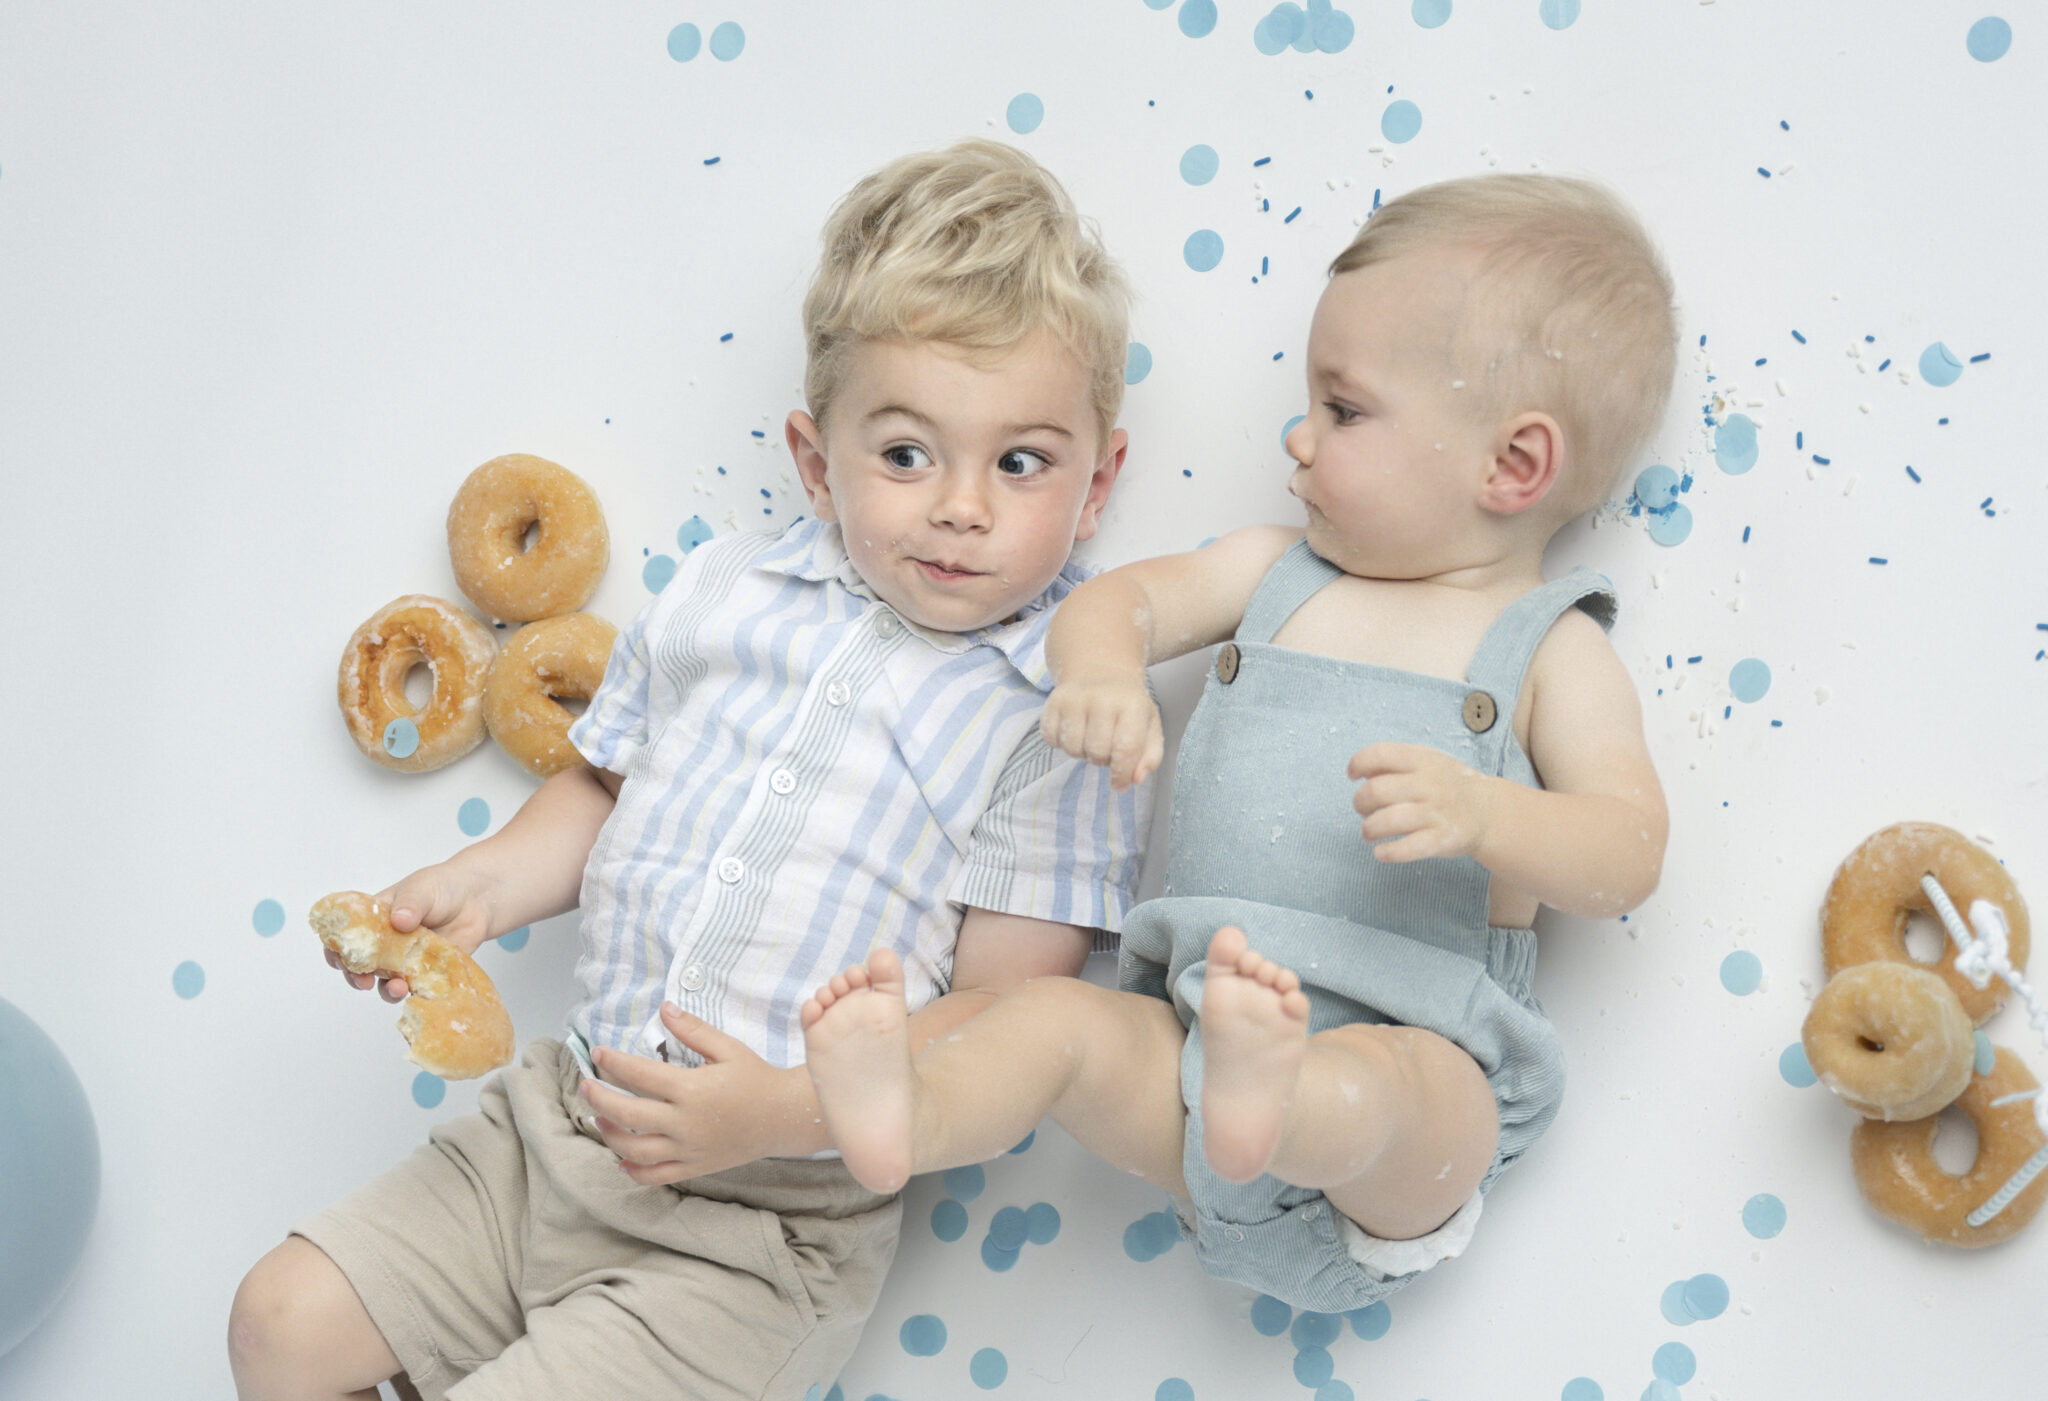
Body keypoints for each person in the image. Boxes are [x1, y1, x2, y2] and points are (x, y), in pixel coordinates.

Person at [227, 139, 1150, 1400]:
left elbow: (999, 1024)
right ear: (816, 462)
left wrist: (782, 1111)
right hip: (556, 1124)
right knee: (279, 1319)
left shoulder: (1065, 714)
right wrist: (484, 886)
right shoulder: (730, 590)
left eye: (1020, 463)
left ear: (1098, 485)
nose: (960, 508)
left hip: (761, 1229)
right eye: (904, 454)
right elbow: (603, 790)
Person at [800, 172, 1676, 1313]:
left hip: (1408, 1099)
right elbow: (1117, 603)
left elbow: (1627, 852)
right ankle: (903, 1114)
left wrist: (1488, 815)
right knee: (1055, 1026)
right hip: (1190, 1056)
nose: (1297, 439)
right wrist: (1105, 672)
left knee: (1396, 1091)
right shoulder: (1273, 572)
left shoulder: (1546, 651)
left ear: (1510, 467)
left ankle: (1287, 1096)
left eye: (1344, 411)